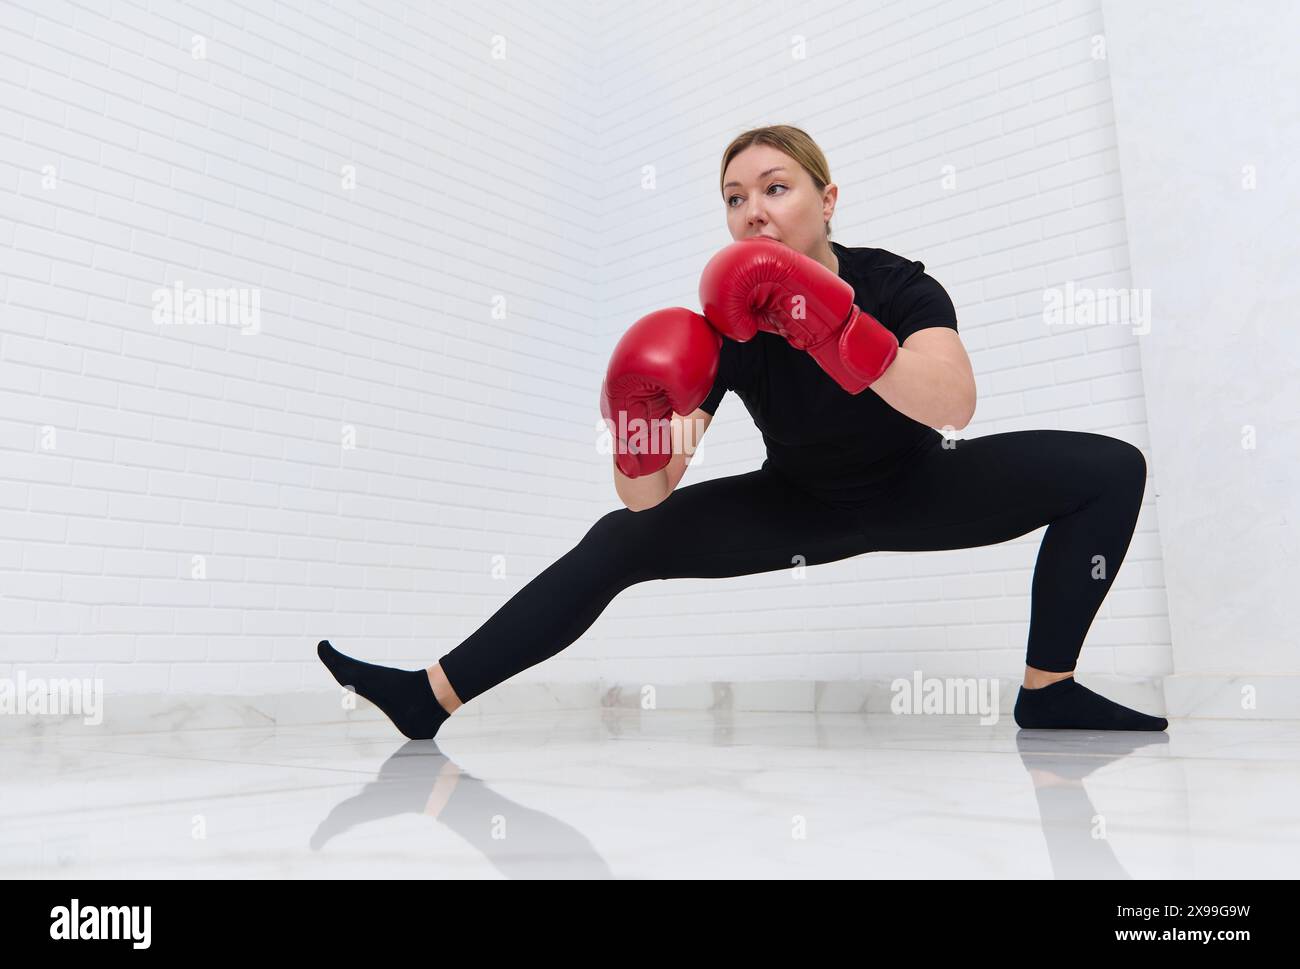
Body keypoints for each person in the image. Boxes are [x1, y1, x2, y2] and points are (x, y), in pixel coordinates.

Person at [318, 124, 1168, 739]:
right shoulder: (727, 326)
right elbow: (648, 497)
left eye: (775, 187)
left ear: (826, 200)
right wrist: (637, 425)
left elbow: (953, 404)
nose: (753, 211)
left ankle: (1048, 689)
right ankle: (431, 695)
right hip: (798, 505)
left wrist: (835, 328)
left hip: (919, 488)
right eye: (735, 198)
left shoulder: (894, 282)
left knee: (1111, 467)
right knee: (620, 539)